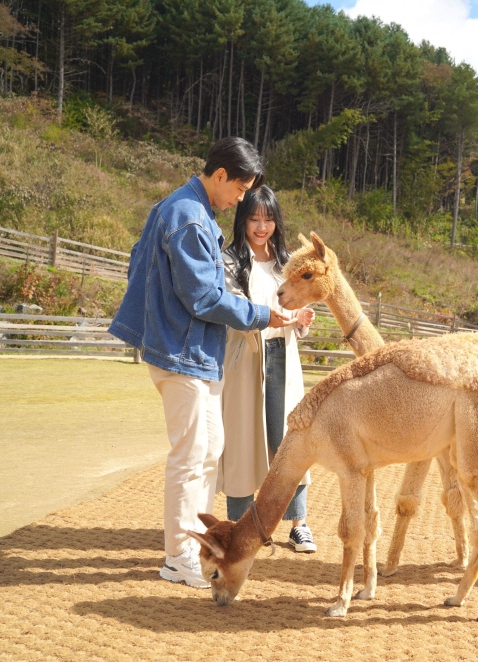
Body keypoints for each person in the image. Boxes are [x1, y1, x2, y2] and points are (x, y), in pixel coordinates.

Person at [109, 137, 294, 589]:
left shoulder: (179, 209)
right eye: (239, 189)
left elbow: (140, 265)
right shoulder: (189, 217)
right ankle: (179, 557)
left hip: (193, 352)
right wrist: (262, 314)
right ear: (219, 176)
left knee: (208, 452)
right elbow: (205, 297)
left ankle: (195, 548)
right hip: (183, 352)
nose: (240, 200)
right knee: (192, 459)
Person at [219, 185, 318, 553]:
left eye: (268, 218)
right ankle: (243, 526)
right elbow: (233, 312)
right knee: (243, 441)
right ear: (242, 220)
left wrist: (302, 319)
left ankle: (298, 523)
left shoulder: (287, 263)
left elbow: (299, 308)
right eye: (254, 219)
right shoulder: (229, 261)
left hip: (283, 357)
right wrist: (283, 318)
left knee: (290, 442)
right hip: (246, 359)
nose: (262, 227)